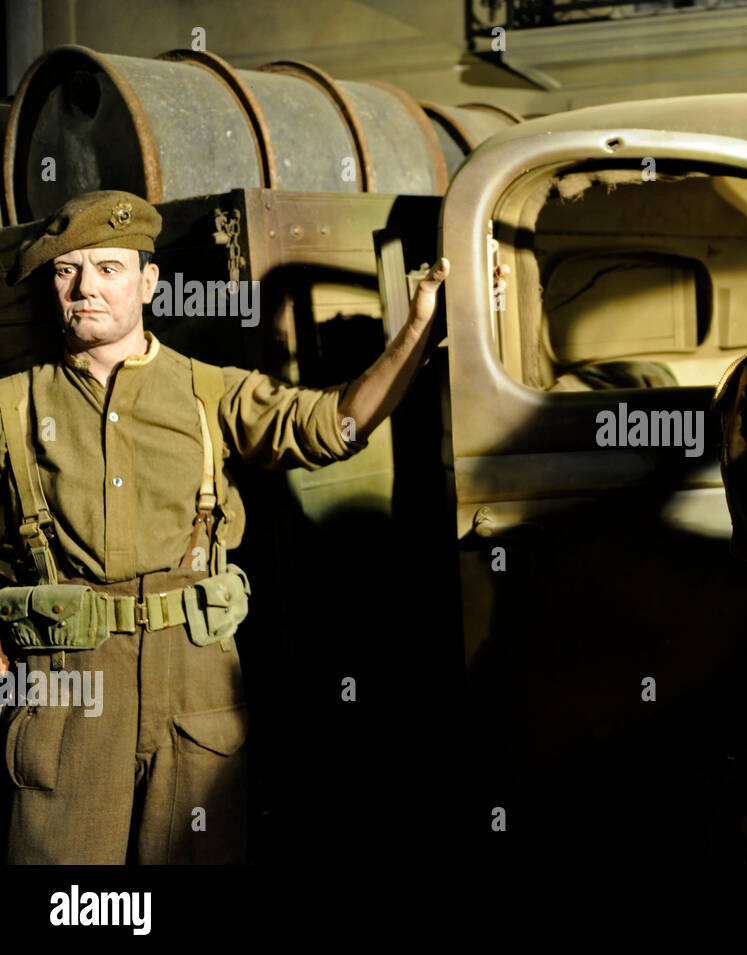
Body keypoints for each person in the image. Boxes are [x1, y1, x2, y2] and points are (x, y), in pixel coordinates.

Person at [0, 190, 455, 863]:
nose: (86, 288)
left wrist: (417, 329)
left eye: (109, 268)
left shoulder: (210, 391)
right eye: (68, 271)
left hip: (196, 682)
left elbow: (336, 426)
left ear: (149, 281)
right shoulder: (13, 404)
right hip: (68, 687)